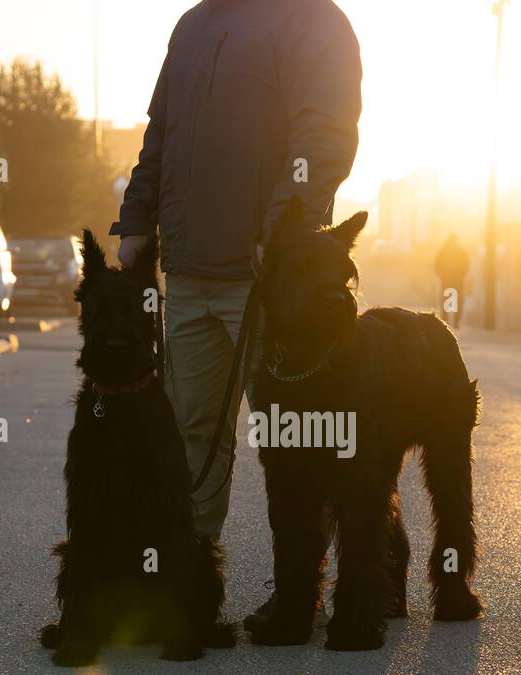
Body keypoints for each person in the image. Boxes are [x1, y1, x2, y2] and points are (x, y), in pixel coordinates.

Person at [111, 0, 362, 629]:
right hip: (190, 272)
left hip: (271, 281)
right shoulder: (193, 25)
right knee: (191, 437)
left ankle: (306, 593)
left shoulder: (311, 19)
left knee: (296, 439)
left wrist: (283, 226)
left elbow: (324, 130)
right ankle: (187, 590)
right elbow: (159, 133)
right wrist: (138, 218)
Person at [435, 233, 470, 329]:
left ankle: (445, 320)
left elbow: (437, 264)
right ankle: (456, 322)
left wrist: (441, 275)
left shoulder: (443, 250)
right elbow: (466, 265)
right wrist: (462, 275)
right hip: (457, 279)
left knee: (446, 299)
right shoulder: (461, 250)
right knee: (458, 301)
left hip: (447, 279)